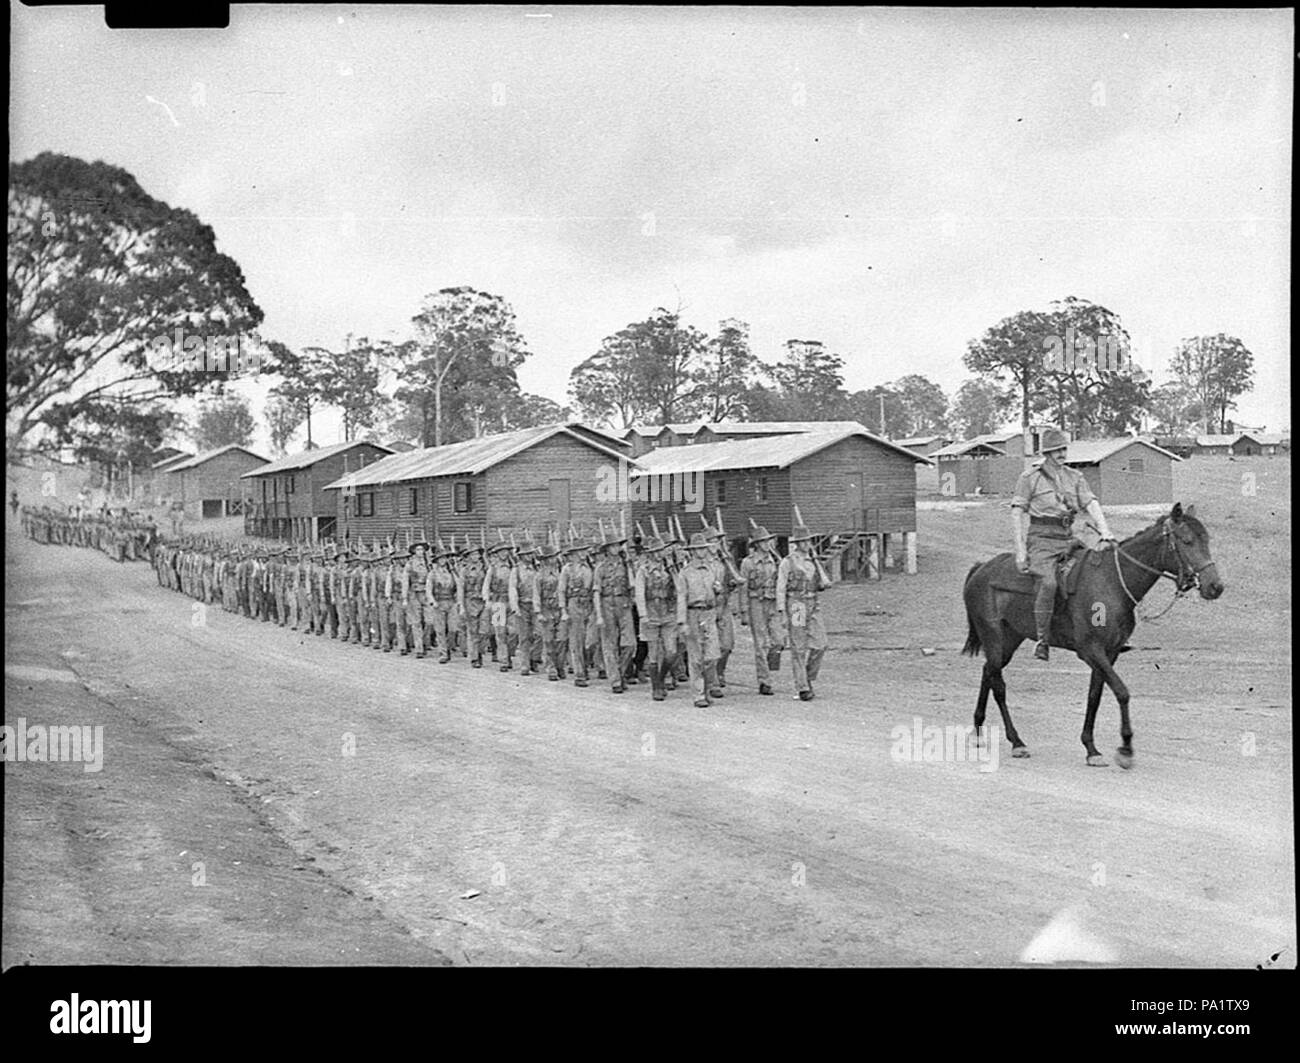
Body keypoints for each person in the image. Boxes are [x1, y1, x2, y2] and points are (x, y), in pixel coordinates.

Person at [1010, 428, 1116, 661]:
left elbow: (1091, 503)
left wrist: (1105, 530)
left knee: (1095, 575)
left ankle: (1101, 632)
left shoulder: (1075, 477)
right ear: (1046, 453)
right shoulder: (1030, 478)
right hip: (1041, 540)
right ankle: (1042, 639)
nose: (1062, 453)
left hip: (1069, 538)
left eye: (1063, 449)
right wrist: (1020, 552)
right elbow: (1017, 513)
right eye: (1056, 450)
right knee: (1048, 583)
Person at [776, 519, 830, 702]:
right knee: (798, 647)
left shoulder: (813, 561)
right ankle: (802, 686)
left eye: (808, 541)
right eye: (803, 541)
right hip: (797, 605)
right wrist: (782, 611)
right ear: (797, 544)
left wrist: (821, 578)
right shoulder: (788, 562)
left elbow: (822, 584)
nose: (807, 544)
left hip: (813, 604)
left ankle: (807, 677)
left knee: (821, 644)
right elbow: (781, 587)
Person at [677, 532, 724, 708]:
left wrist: (718, 591)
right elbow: (681, 597)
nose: (703, 552)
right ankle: (698, 695)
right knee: (696, 658)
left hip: (709, 613)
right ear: (693, 551)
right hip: (693, 614)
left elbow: (718, 594)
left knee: (712, 656)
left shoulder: (712, 569)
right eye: (699, 549)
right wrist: (682, 622)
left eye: (704, 548)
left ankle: (708, 687)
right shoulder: (685, 573)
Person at [738, 524, 783, 695]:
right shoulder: (748, 563)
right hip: (756, 603)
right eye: (763, 541)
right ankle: (764, 681)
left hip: (772, 602)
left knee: (779, 641)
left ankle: (769, 667)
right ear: (756, 544)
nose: (767, 544)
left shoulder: (775, 560)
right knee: (761, 643)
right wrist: (743, 611)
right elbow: (743, 588)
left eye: (768, 541)